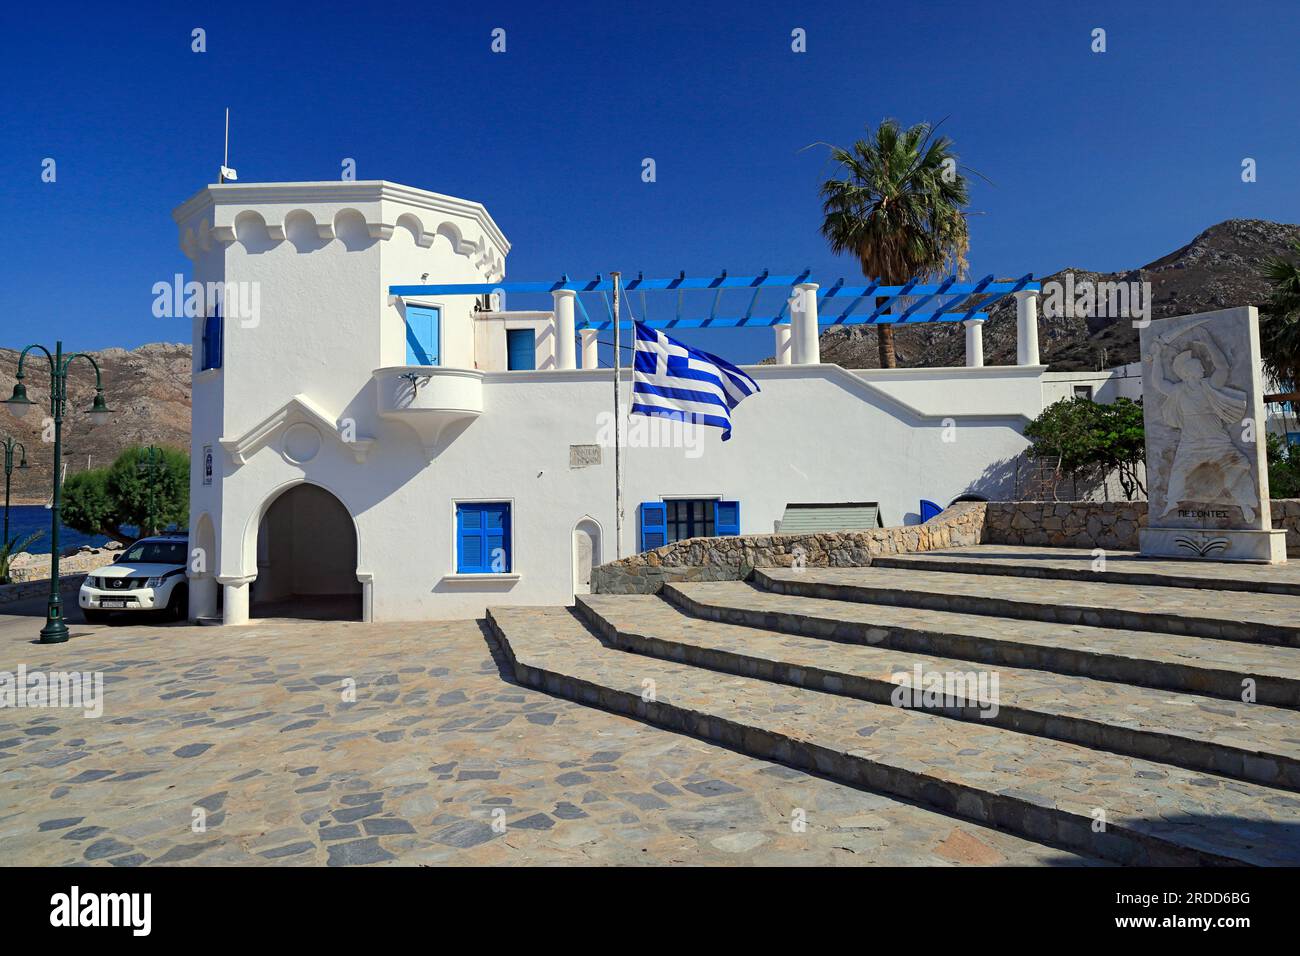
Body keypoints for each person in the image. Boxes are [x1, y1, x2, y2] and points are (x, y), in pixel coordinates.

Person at [1146, 320, 1257, 523]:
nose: (1203, 369)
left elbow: (1222, 367)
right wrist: (1158, 355)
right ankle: (1171, 503)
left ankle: (1245, 504)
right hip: (1191, 443)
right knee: (1179, 471)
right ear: (1188, 372)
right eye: (1198, 366)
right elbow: (1158, 383)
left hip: (1217, 440)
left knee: (1238, 466)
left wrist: (1209, 342)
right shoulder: (1178, 391)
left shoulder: (1209, 385)